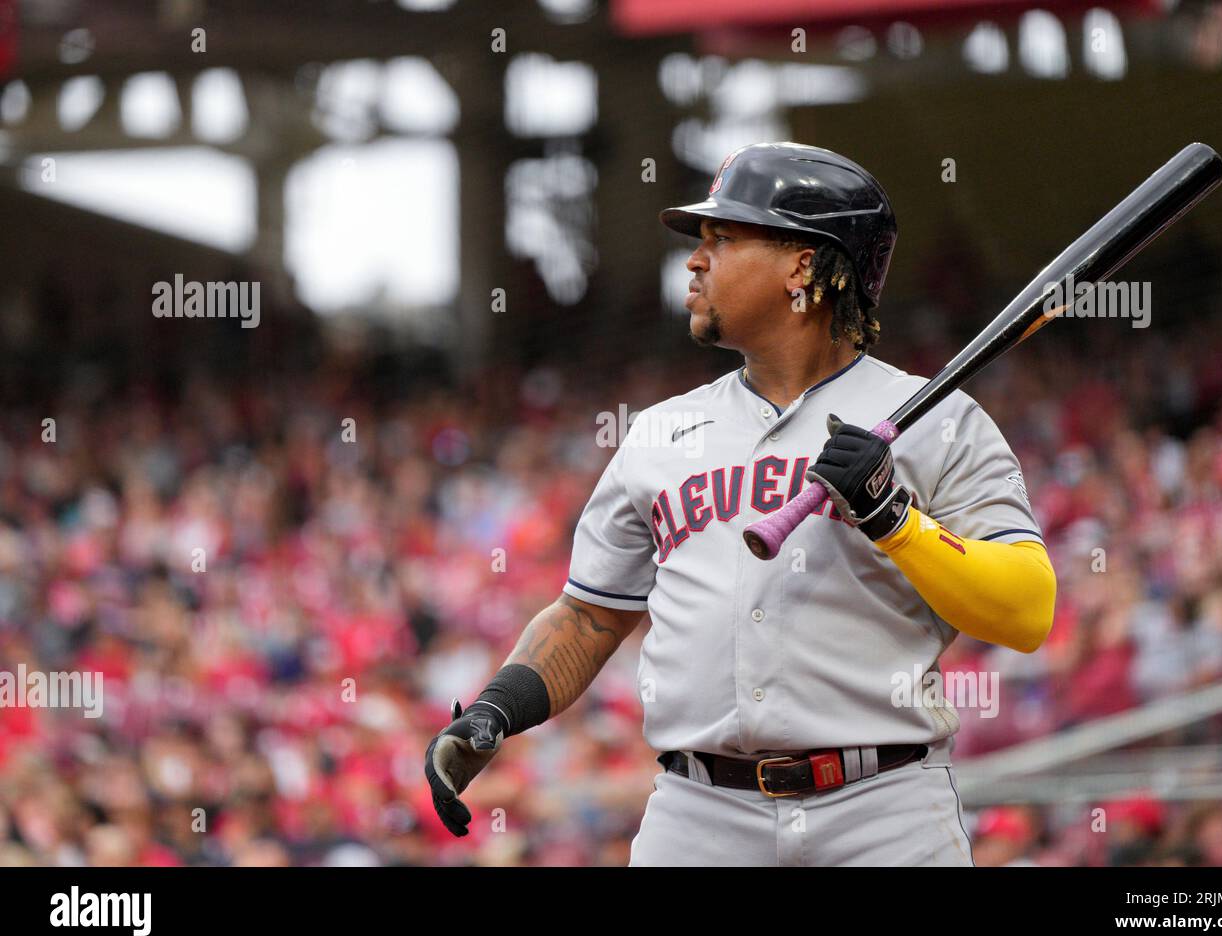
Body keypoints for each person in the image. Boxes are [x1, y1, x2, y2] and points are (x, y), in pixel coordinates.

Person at [425, 142, 1057, 866]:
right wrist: (495, 710)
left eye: (722, 239)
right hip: (698, 815)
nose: (695, 262)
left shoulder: (938, 418)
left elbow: (1027, 610)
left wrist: (895, 522)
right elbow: (592, 614)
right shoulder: (661, 432)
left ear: (804, 265)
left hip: (884, 811)